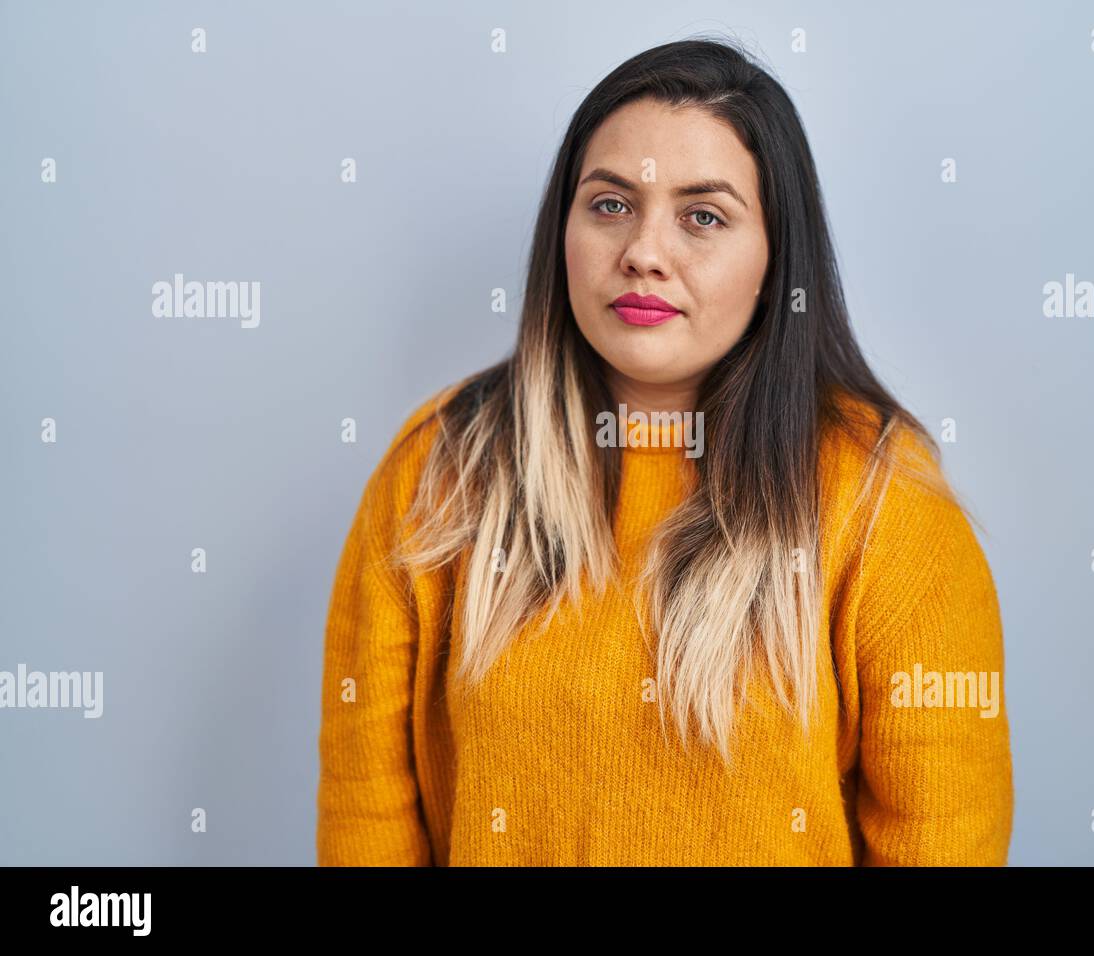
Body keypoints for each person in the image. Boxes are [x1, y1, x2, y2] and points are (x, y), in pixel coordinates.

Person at [316, 36, 1013, 866]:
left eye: (703, 217)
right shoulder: (440, 470)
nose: (644, 253)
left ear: (775, 260)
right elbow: (365, 819)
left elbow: (942, 839)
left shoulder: (885, 503)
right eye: (611, 204)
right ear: (562, 230)